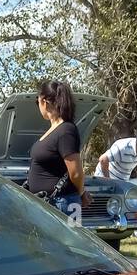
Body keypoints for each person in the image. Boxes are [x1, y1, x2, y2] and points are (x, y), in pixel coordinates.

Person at [25, 79, 88, 219]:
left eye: (37, 102)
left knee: (69, 241)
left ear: (44, 101)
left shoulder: (66, 130)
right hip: (48, 204)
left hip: (63, 204)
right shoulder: (54, 130)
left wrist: (82, 193)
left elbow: (76, 173)